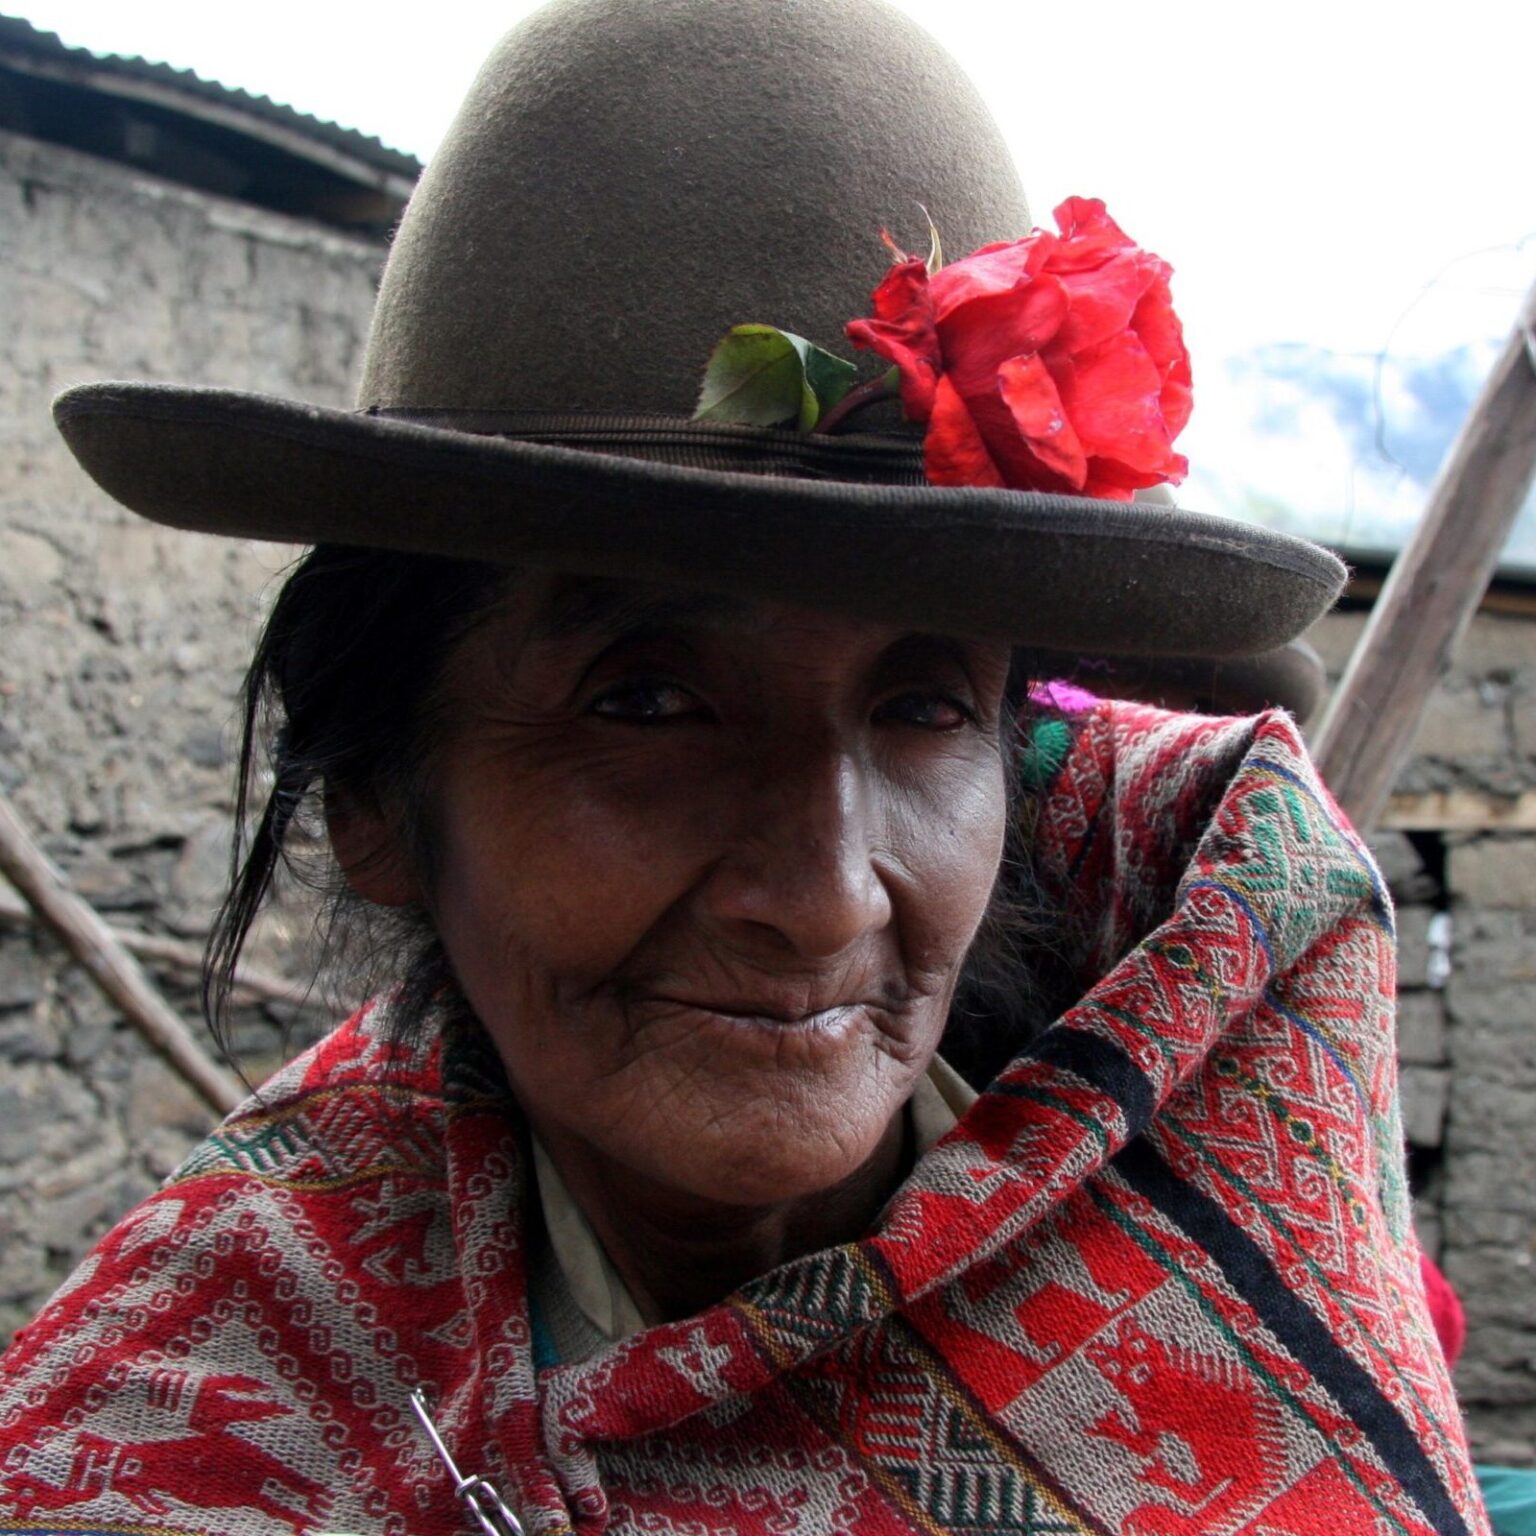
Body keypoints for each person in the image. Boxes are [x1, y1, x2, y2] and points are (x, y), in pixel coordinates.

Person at [0, 2, 1491, 1532]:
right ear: (379, 797)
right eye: (647, 703)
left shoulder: (1244, 1221)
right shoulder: (165, 1457)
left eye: (922, 707)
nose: (825, 896)